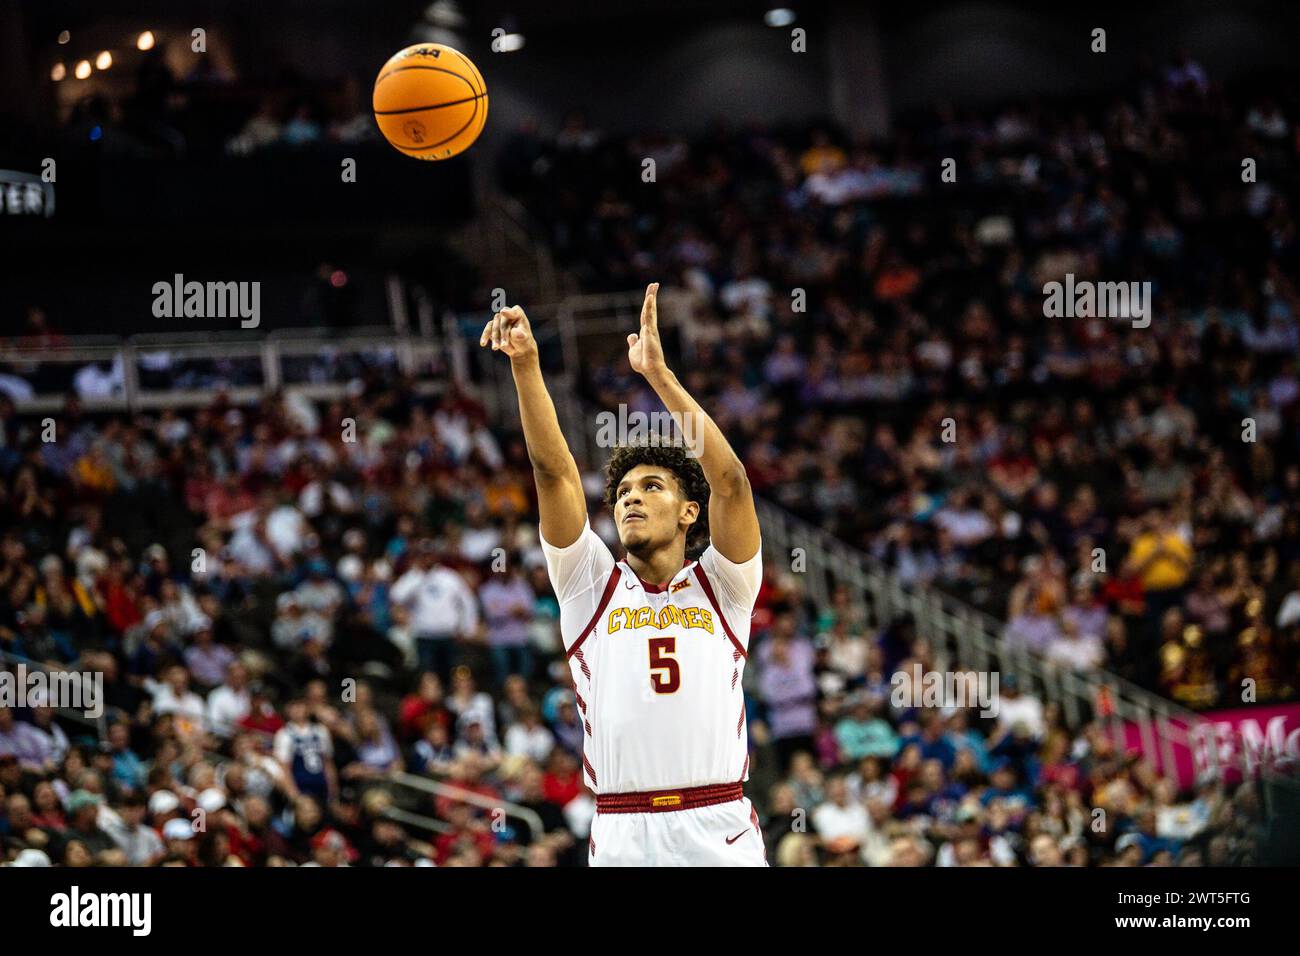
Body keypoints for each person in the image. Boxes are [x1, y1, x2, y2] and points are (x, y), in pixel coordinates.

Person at [480, 283, 765, 866]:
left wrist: (660, 378)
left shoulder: (725, 586)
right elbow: (553, 472)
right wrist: (528, 366)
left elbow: (731, 481)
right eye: (623, 492)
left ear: (691, 511)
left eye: (652, 486)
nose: (631, 499)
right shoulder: (590, 585)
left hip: (719, 826)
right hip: (623, 829)